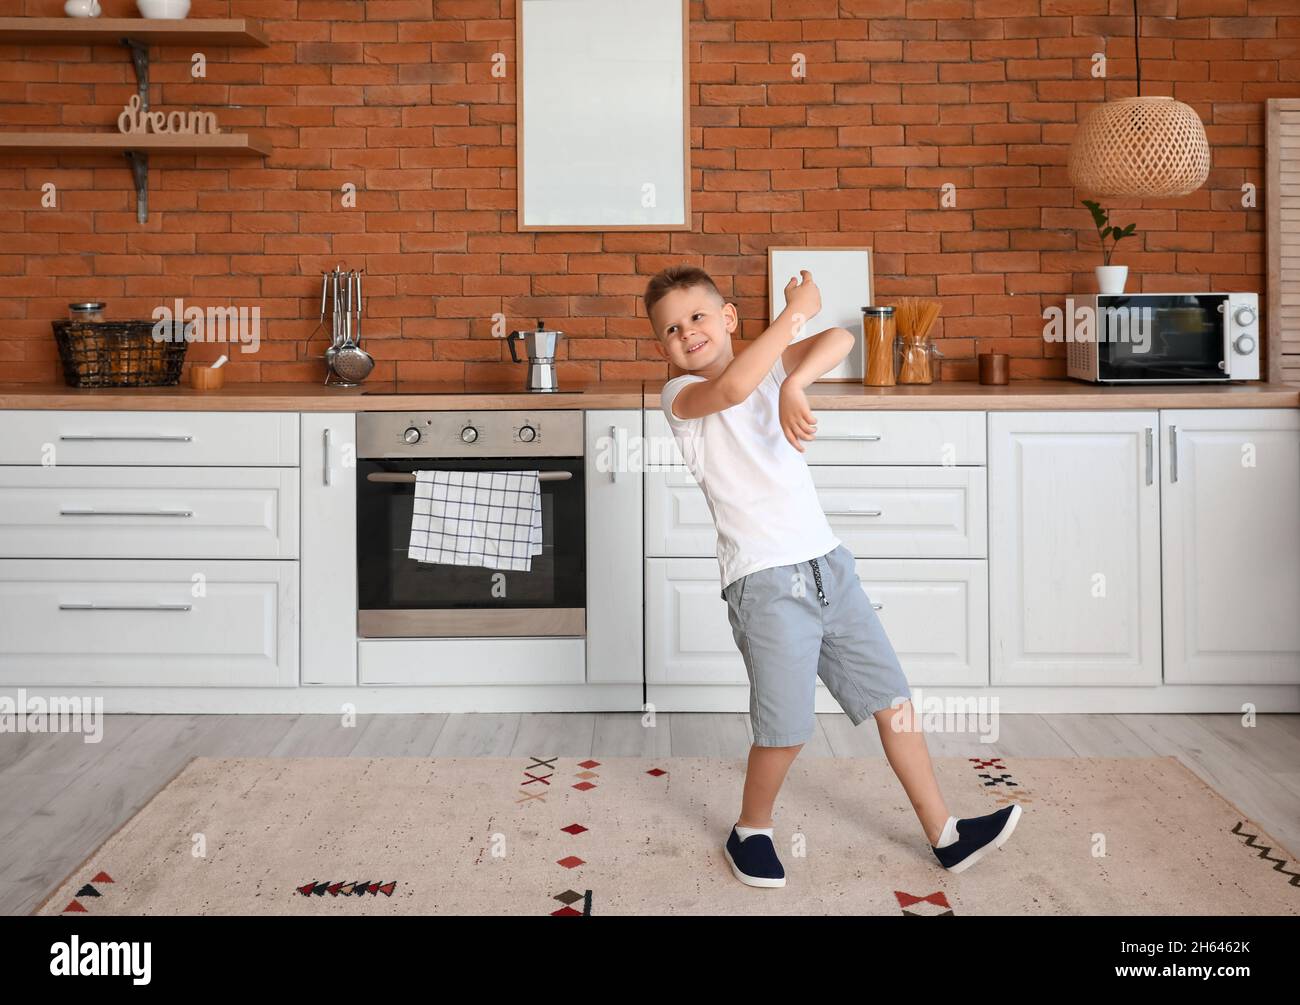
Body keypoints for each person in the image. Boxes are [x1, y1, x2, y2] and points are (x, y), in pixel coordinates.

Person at [645, 264, 1022, 887]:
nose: (687, 334)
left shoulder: (768, 367)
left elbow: (841, 341)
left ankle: (946, 835)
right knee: (786, 727)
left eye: (698, 317)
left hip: (829, 566)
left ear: (730, 317)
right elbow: (737, 388)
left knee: (893, 704)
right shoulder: (679, 399)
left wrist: (794, 381)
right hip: (764, 583)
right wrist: (795, 313)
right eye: (670, 330)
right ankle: (752, 831)